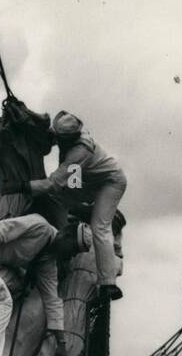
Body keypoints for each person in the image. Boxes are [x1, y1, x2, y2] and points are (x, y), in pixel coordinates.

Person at [26, 111, 126, 300]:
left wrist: (24, 187)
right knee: (64, 196)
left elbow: (52, 183)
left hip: (110, 183)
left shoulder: (80, 151)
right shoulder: (68, 132)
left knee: (100, 226)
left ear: (67, 139)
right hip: (89, 179)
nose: (54, 140)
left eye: (57, 138)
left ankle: (108, 284)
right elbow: (50, 133)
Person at [0, 212, 72, 356]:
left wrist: (61, 344)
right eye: (73, 249)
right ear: (66, 235)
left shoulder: (48, 262)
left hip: (0, 271)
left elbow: (52, 300)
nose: (71, 256)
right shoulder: (40, 226)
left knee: (17, 288)